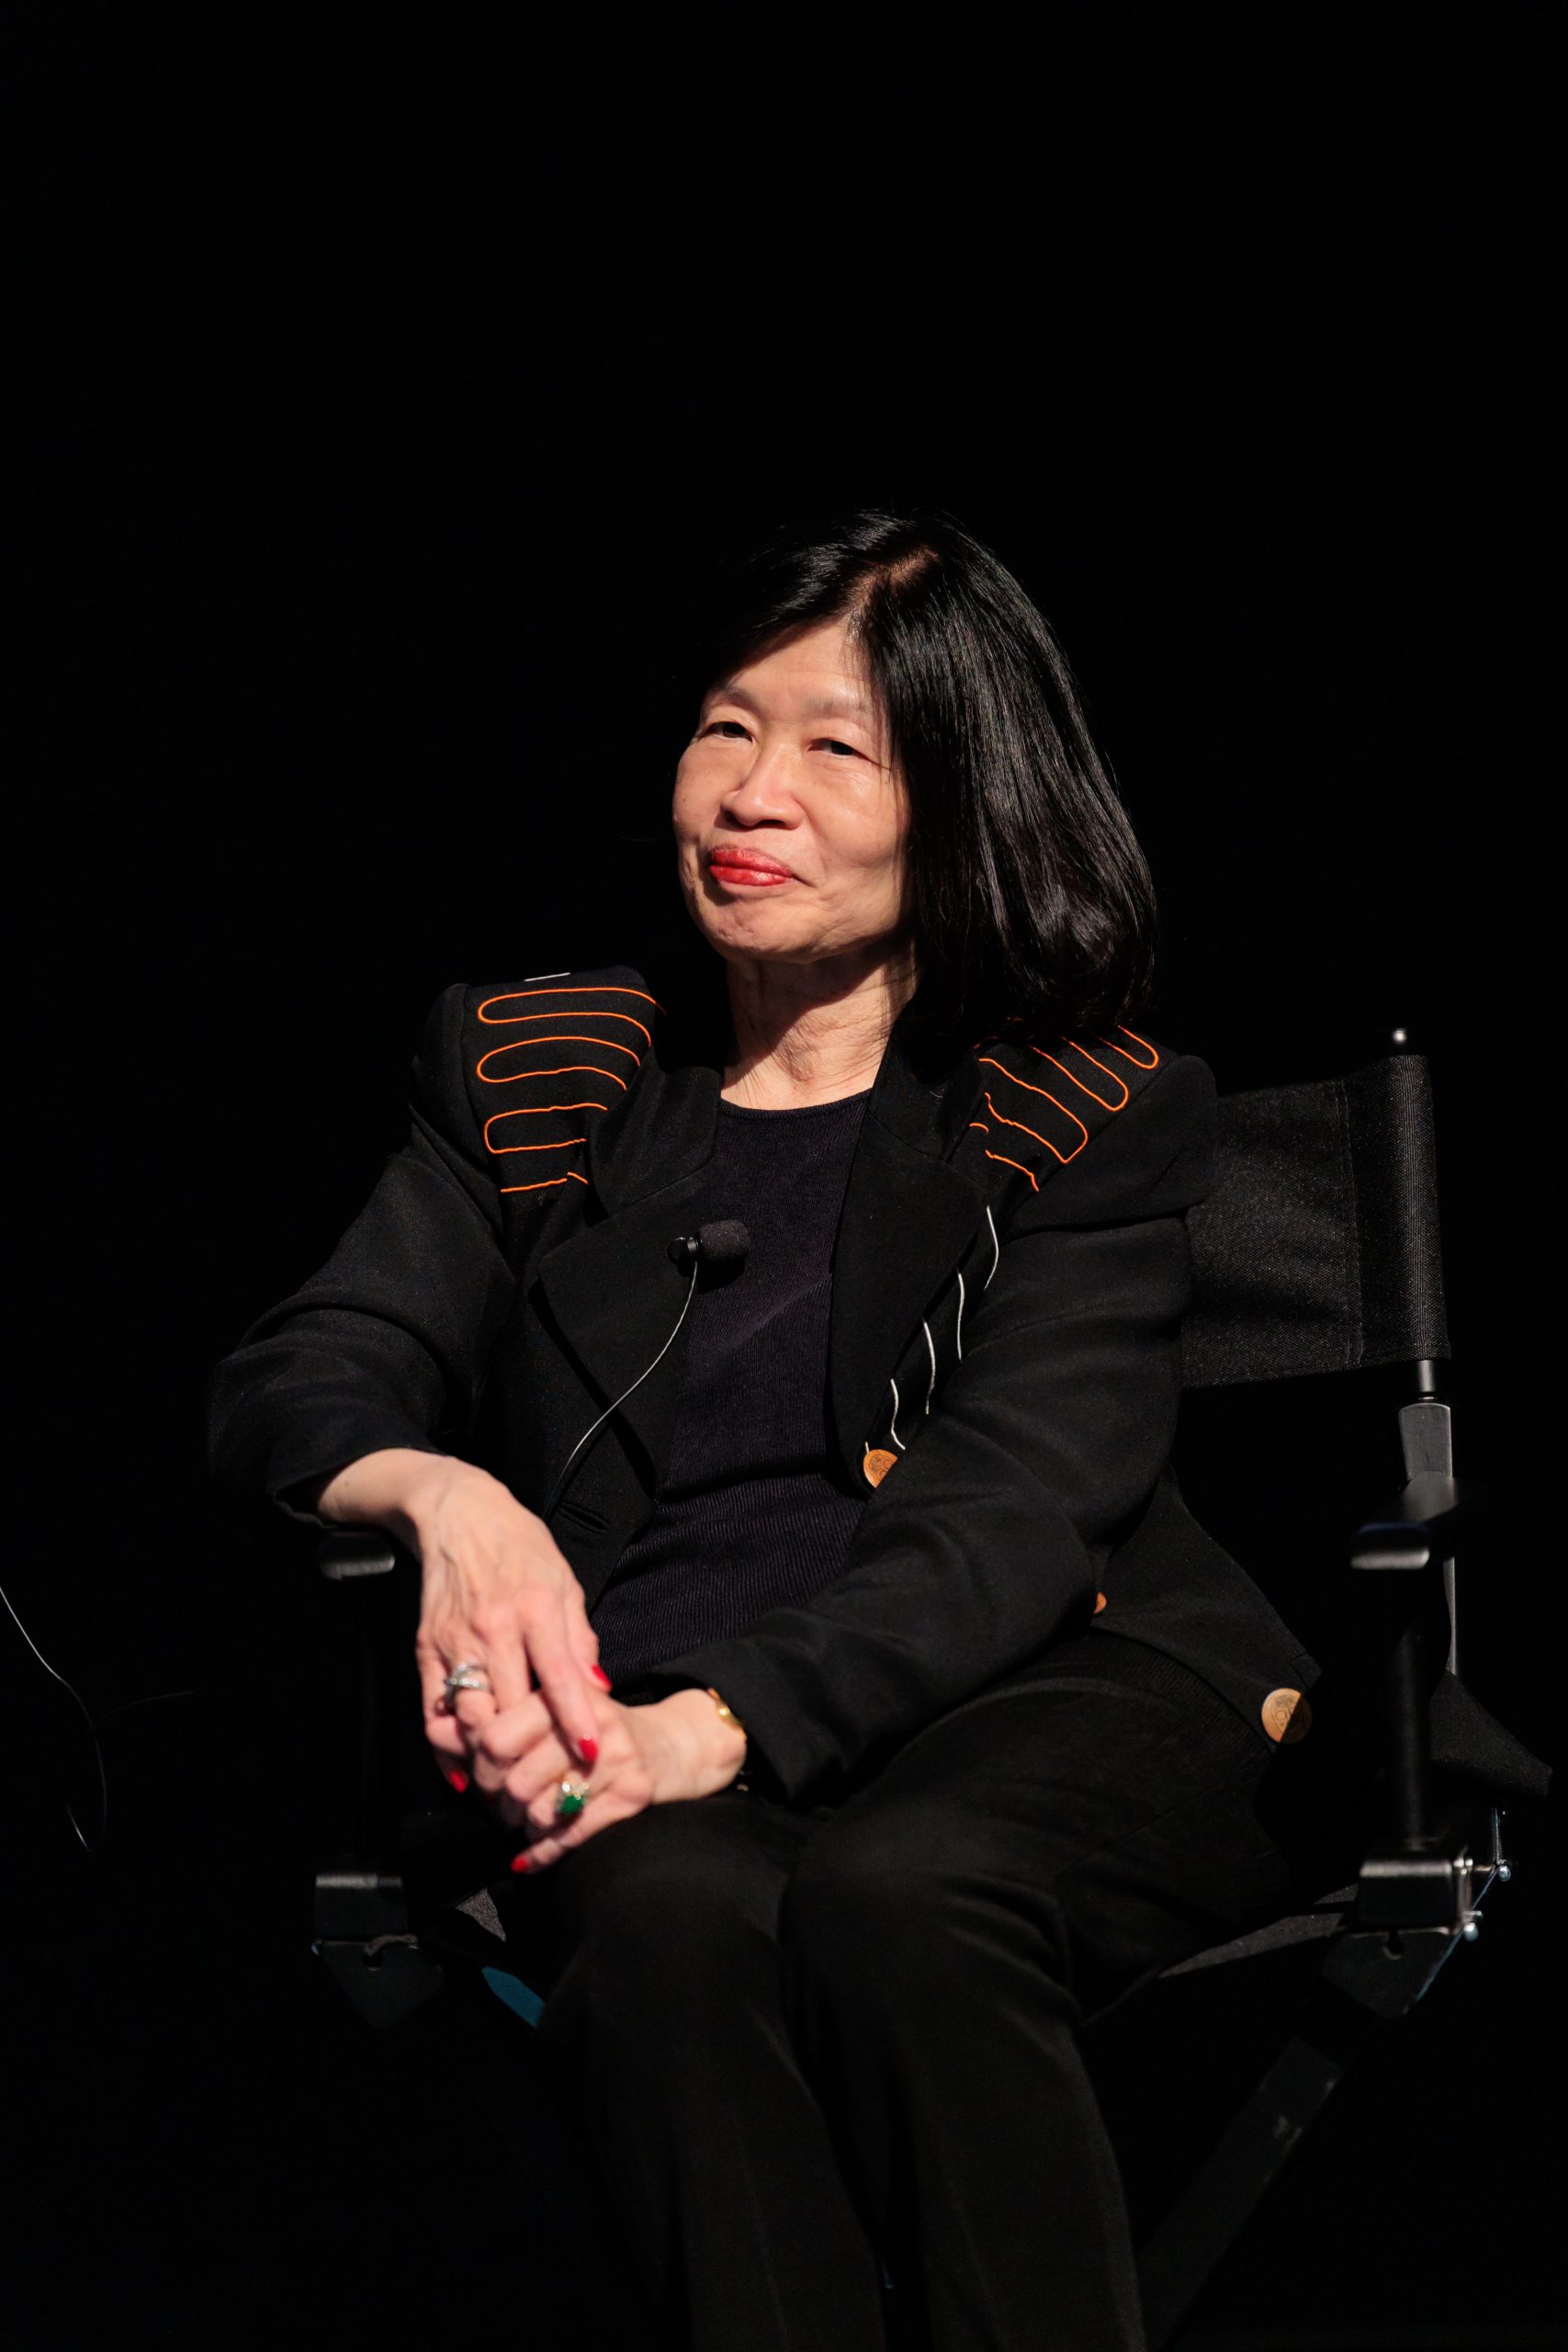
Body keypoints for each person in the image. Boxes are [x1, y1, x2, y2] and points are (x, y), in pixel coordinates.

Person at [207, 511, 1385, 2350]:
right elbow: (305, 1366)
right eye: (724, 727)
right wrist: (443, 1493)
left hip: (1048, 1689)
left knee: (897, 1891)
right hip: (652, 1727)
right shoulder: (545, 1071)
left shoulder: (1074, 1105)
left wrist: (719, 1718)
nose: (753, 792)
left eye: (838, 746)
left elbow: (1014, 1512)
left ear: (964, 802)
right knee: (666, 1925)